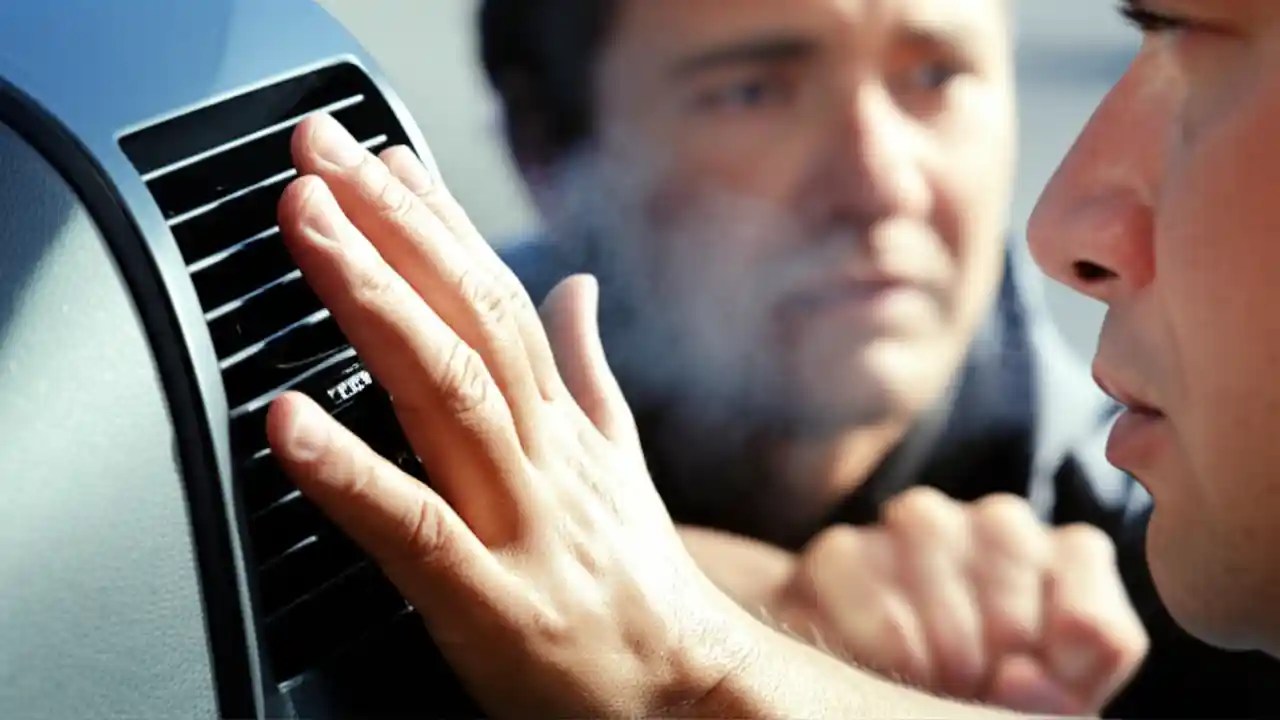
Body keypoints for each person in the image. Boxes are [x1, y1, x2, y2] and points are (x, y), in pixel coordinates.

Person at [262, 0, 1280, 717]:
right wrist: (752, 600)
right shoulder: (337, 438)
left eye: (935, 73)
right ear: (544, 147)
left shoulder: (1199, 553)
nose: (879, 181)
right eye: (754, 91)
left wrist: (703, 651)